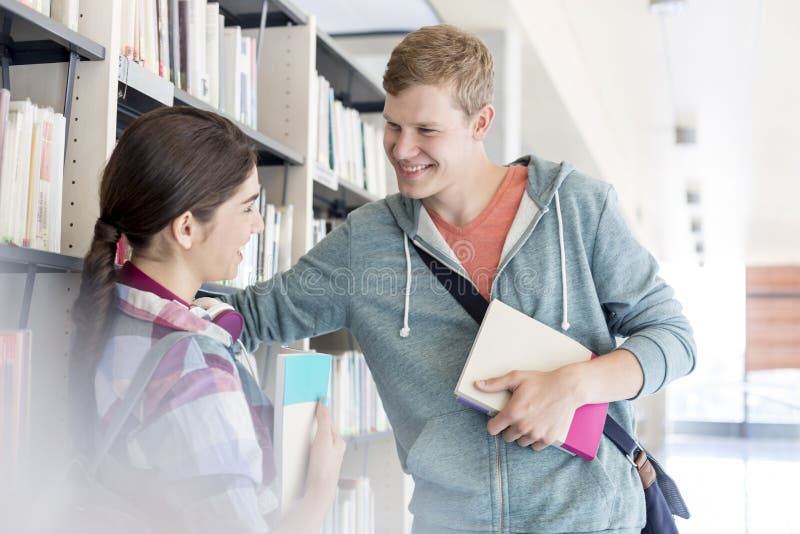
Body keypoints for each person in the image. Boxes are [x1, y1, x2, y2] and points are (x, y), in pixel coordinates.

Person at [216, 24, 696, 533]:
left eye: (426, 131)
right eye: (392, 126)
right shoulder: (366, 243)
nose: (402, 150)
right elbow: (253, 315)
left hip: (591, 521)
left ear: (480, 123)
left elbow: (675, 339)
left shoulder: (577, 208)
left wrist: (575, 386)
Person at [70, 106, 345, 533]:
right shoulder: (196, 371)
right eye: (247, 207)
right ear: (185, 229)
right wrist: (320, 494)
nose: (256, 225)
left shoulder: (114, 302)